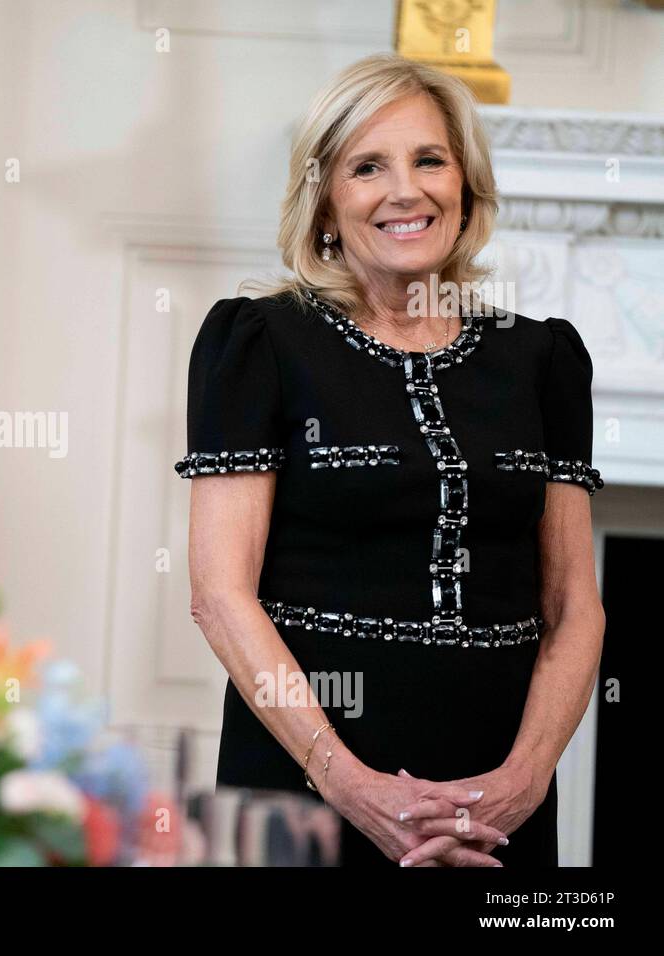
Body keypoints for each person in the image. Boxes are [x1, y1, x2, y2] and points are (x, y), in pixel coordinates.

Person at [181, 54, 605, 866]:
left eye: (430, 160)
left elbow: (574, 606)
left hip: (496, 801)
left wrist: (523, 781)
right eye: (366, 166)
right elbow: (219, 596)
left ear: (465, 185)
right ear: (327, 201)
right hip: (303, 779)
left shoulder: (543, 358)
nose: (404, 191)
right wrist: (347, 782)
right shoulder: (259, 342)